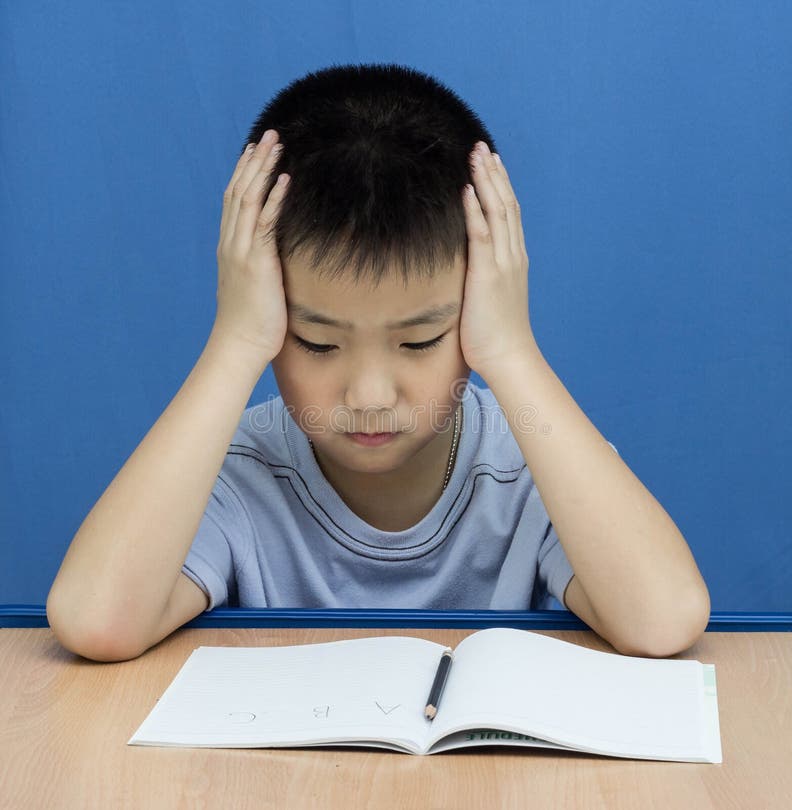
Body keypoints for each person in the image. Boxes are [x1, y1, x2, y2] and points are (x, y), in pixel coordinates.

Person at [46, 63, 710, 663]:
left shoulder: (536, 462)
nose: (368, 395)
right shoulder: (235, 473)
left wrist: (511, 350)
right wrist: (234, 342)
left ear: (482, 303)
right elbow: (97, 622)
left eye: (419, 341)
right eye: (317, 341)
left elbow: (661, 621)